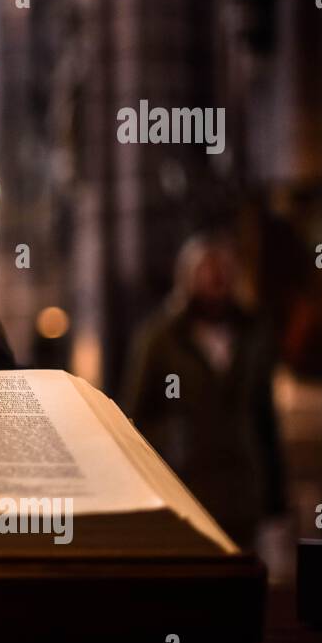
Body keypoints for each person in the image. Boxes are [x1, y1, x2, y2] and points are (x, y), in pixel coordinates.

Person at [122, 234, 286, 549]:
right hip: (185, 487)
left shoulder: (252, 334)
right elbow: (136, 415)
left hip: (241, 490)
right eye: (205, 270)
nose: (215, 278)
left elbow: (264, 417)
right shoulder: (160, 340)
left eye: (222, 269)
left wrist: (276, 497)